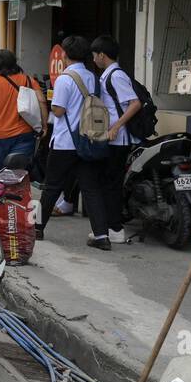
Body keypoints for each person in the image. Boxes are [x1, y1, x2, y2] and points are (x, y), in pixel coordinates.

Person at [38, 35, 111, 249]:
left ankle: (37, 228)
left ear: (64, 55)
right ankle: (101, 236)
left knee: (51, 186)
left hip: (65, 142)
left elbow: (59, 110)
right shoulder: (93, 77)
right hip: (88, 140)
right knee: (91, 189)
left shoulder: (65, 79)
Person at [91, 35, 141, 244]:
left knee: (111, 185)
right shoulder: (108, 75)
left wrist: (116, 126)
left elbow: (135, 103)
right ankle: (111, 226)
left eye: (94, 55)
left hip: (118, 140)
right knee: (107, 184)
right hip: (112, 138)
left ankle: (115, 229)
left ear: (102, 55)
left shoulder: (116, 76)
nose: (93, 59)